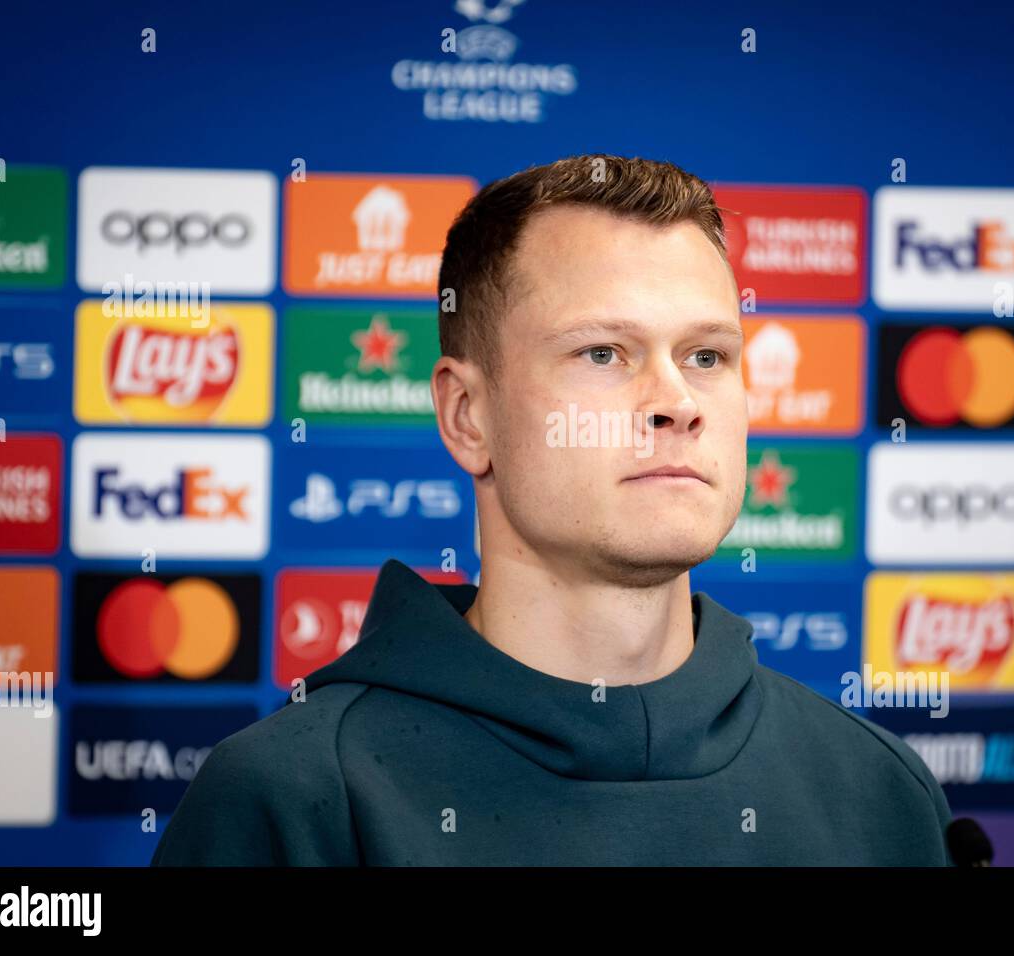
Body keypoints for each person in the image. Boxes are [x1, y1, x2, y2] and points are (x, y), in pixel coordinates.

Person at [151, 154, 953, 866]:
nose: (676, 401)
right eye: (603, 353)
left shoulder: (879, 789)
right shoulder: (291, 799)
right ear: (469, 416)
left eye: (706, 356)